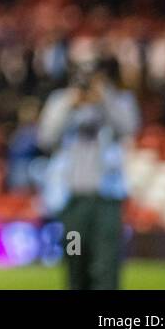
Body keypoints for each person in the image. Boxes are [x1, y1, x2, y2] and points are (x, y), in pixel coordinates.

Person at [38, 60, 139, 289]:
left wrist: (104, 99)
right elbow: (46, 137)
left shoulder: (118, 99)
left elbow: (129, 128)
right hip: (73, 201)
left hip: (107, 201)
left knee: (106, 265)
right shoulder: (61, 100)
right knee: (75, 261)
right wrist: (69, 104)